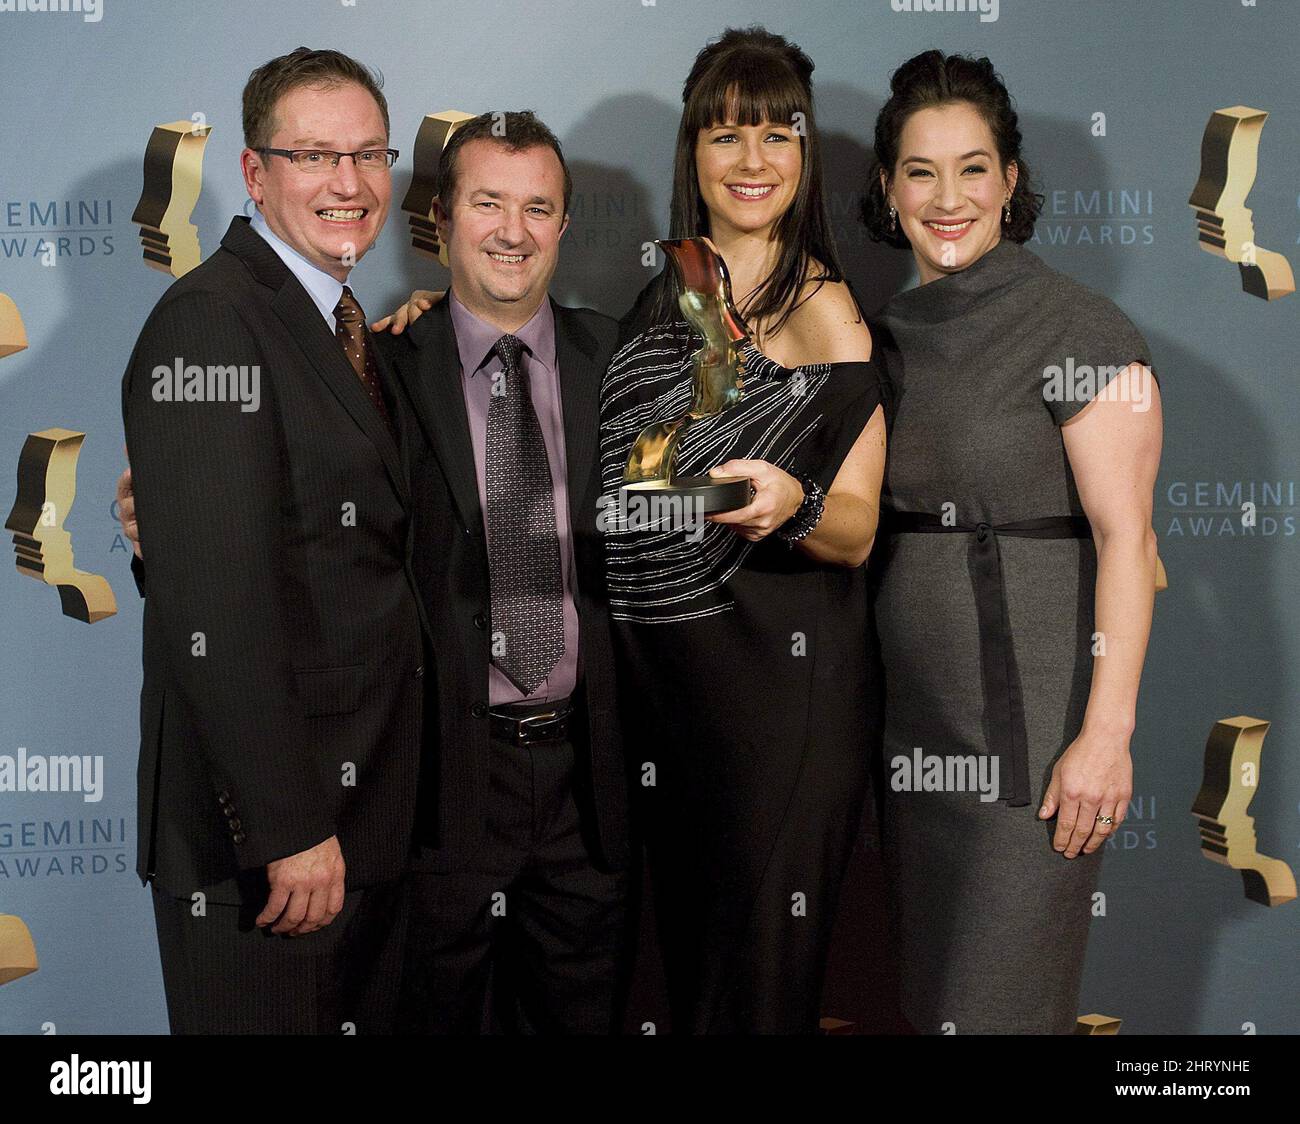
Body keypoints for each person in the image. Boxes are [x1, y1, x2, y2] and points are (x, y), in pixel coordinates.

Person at [119, 48, 428, 1034]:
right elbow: (218, 607)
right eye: (314, 156)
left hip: (368, 819)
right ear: (255, 174)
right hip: (268, 850)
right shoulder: (210, 323)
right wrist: (287, 827)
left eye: (370, 154)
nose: (349, 183)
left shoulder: (346, 331)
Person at [862, 50, 1162, 1034]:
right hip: (911, 751)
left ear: (1010, 181)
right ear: (887, 186)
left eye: (972, 167)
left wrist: (1105, 738)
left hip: (1035, 756)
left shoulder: (1081, 326)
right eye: (920, 170)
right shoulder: (882, 330)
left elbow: (1130, 541)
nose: (947, 197)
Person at [602, 27, 886, 1033]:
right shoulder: (673, 288)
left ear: (807, 157)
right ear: (692, 155)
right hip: (674, 699)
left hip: (781, 702)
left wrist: (789, 505)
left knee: (756, 987)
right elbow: (647, 475)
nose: (752, 161)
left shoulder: (824, 307)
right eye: (726, 136)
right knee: (682, 984)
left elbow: (854, 527)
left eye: (776, 135)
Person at [374, 111, 630, 1034]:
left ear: (563, 225)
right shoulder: (379, 370)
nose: (513, 231)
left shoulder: (627, 360)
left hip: (590, 786)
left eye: (538, 208)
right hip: (444, 787)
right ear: (442, 219)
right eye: (488, 203)